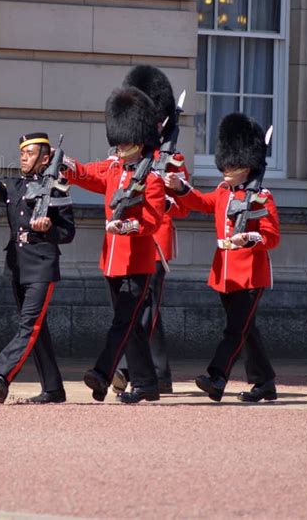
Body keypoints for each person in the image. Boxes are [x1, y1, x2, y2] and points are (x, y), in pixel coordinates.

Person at [0, 133, 75, 404]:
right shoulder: (17, 185)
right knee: (36, 329)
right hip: (18, 265)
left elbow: (68, 232)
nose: (23, 157)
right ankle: (53, 389)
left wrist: (49, 229)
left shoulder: (58, 188)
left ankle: (0, 374)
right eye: (22, 153)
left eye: (30, 153)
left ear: (45, 158)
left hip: (42, 265)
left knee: (29, 325)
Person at [165, 113, 279, 403]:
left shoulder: (261, 197)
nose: (226, 168)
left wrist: (250, 238)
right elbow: (202, 203)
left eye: (233, 164)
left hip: (250, 274)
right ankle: (265, 382)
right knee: (245, 330)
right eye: (226, 163)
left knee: (234, 330)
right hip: (225, 273)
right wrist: (181, 188)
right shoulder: (223, 192)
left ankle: (216, 378)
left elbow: (272, 236)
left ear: (246, 165)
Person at [63, 87, 166, 404]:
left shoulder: (152, 180)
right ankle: (147, 384)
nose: (120, 146)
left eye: (125, 141)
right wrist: (62, 162)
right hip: (112, 261)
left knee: (123, 322)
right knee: (131, 326)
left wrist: (127, 227)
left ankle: (102, 373)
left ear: (139, 141)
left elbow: (152, 220)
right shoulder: (113, 170)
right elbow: (85, 174)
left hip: (136, 262)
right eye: (118, 141)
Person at [112, 65, 189, 396]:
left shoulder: (172, 158)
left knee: (145, 309)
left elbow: (183, 207)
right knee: (139, 308)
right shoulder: (126, 157)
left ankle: (128, 367)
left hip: (156, 241)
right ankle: (159, 373)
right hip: (129, 240)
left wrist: (169, 194)